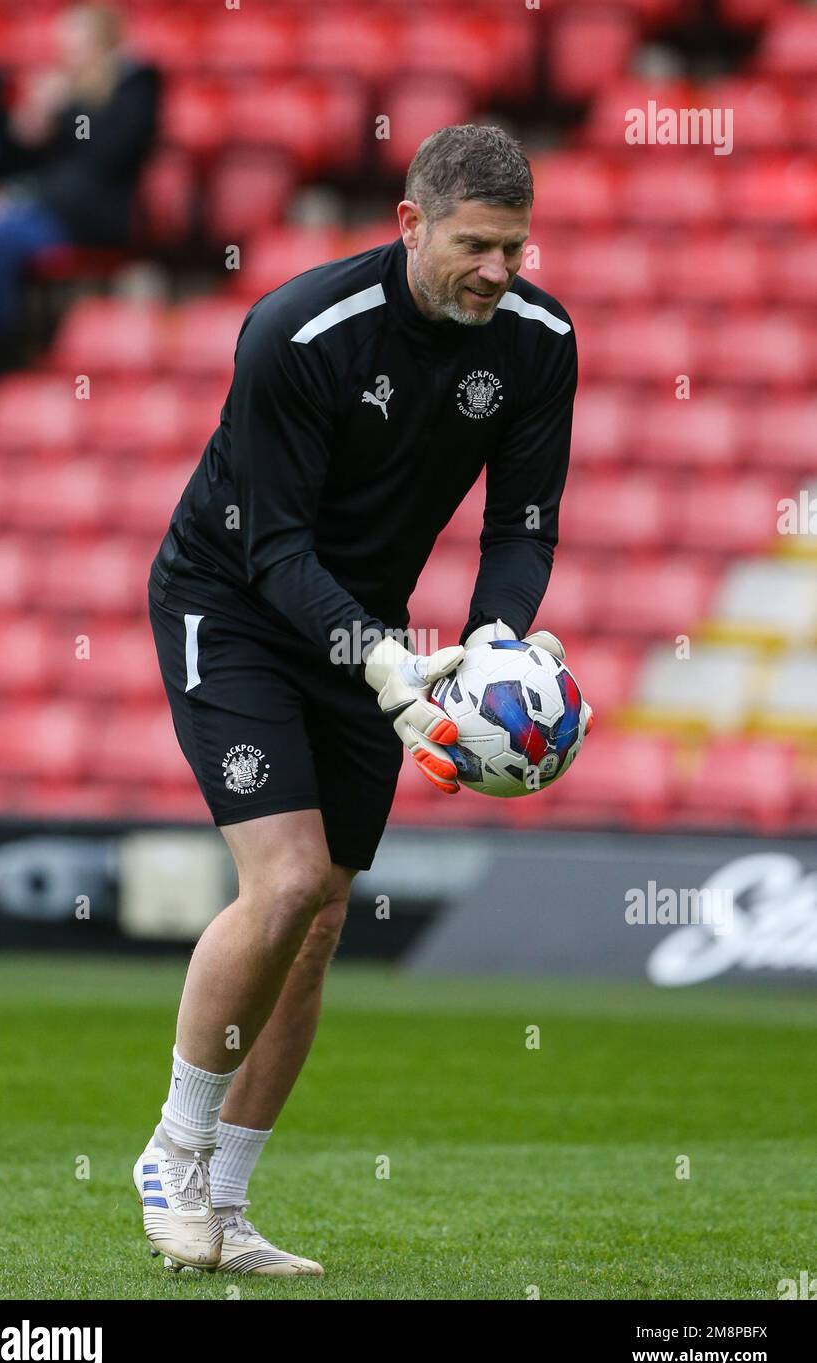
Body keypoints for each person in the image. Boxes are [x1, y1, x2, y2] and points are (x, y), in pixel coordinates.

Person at [140, 124, 579, 1276]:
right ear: (407, 224)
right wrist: (381, 660)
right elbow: (272, 544)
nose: (498, 269)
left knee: (324, 913)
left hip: (366, 627)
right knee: (282, 880)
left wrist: (489, 635)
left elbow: (521, 523)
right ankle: (170, 1152)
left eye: (514, 247)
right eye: (475, 245)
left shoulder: (538, 341)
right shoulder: (297, 330)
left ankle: (224, 1208)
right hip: (231, 601)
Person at [0, 4, 158, 362]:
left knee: (0, 237)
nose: (69, 59)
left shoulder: (137, 84)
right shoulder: (70, 92)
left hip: (96, 216)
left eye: (78, 48)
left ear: (104, 45)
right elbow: (29, 163)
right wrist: (28, 128)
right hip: (49, 205)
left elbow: (110, 154)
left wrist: (65, 113)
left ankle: (0, 350)